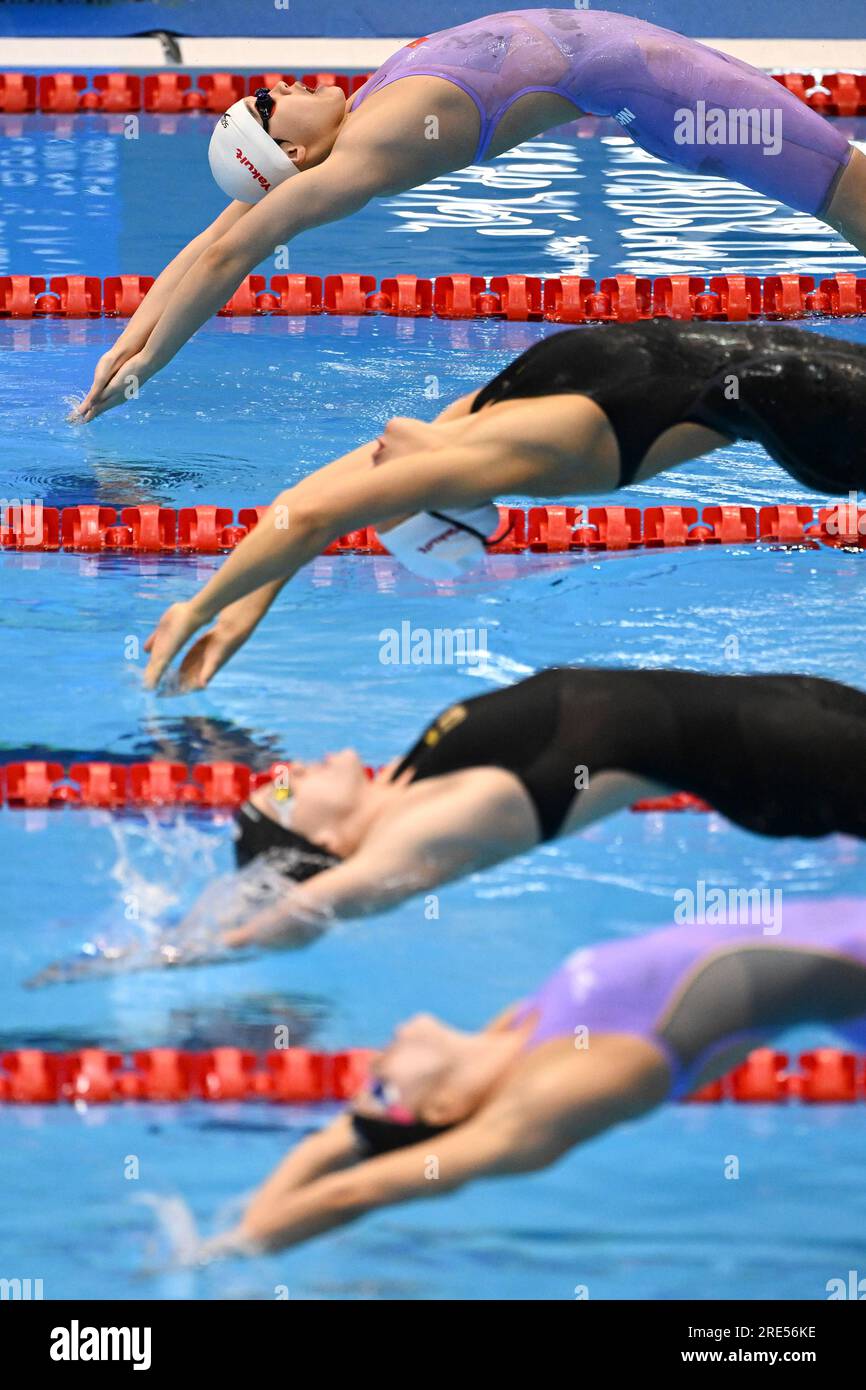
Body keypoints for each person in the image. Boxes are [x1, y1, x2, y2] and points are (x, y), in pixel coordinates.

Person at [73, 10, 866, 422]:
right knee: (849, 194)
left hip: (663, 66)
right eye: (266, 105)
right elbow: (229, 254)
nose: (276, 85)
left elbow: (211, 237)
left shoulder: (363, 110)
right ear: (293, 155)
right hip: (672, 89)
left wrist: (122, 344)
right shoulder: (362, 151)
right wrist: (144, 367)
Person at [140, 320, 866, 692]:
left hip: (808, 384)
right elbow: (317, 515)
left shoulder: (481, 416)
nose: (374, 468)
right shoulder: (507, 448)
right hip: (816, 407)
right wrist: (207, 608)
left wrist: (219, 611)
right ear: (440, 497)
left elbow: (303, 508)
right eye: (392, 497)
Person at [188, 897, 866, 1257]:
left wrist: (253, 1213)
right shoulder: (556, 1089)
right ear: (445, 1107)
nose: (372, 1063)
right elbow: (357, 1188)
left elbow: (345, 1143)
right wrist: (225, 1253)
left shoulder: (512, 1035)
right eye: (382, 1087)